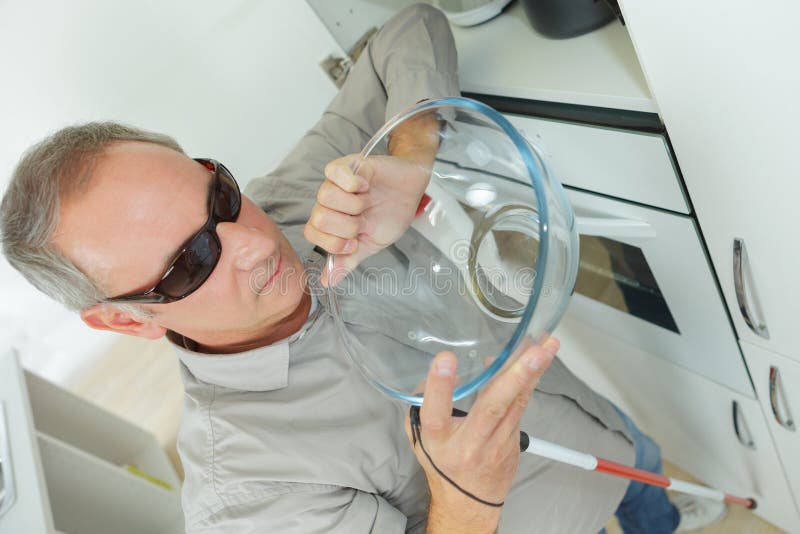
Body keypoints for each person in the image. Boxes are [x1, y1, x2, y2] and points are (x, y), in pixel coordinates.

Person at [1, 5, 725, 533]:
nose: (254, 243)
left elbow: (411, 27)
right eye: (189, 264)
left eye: (220, 193)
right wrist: (466, 503)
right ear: (126, 318)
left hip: (596, 417)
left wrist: (409, 156)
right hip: (556, 516)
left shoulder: (297, 198)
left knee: (652, 485)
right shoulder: (247, 492)